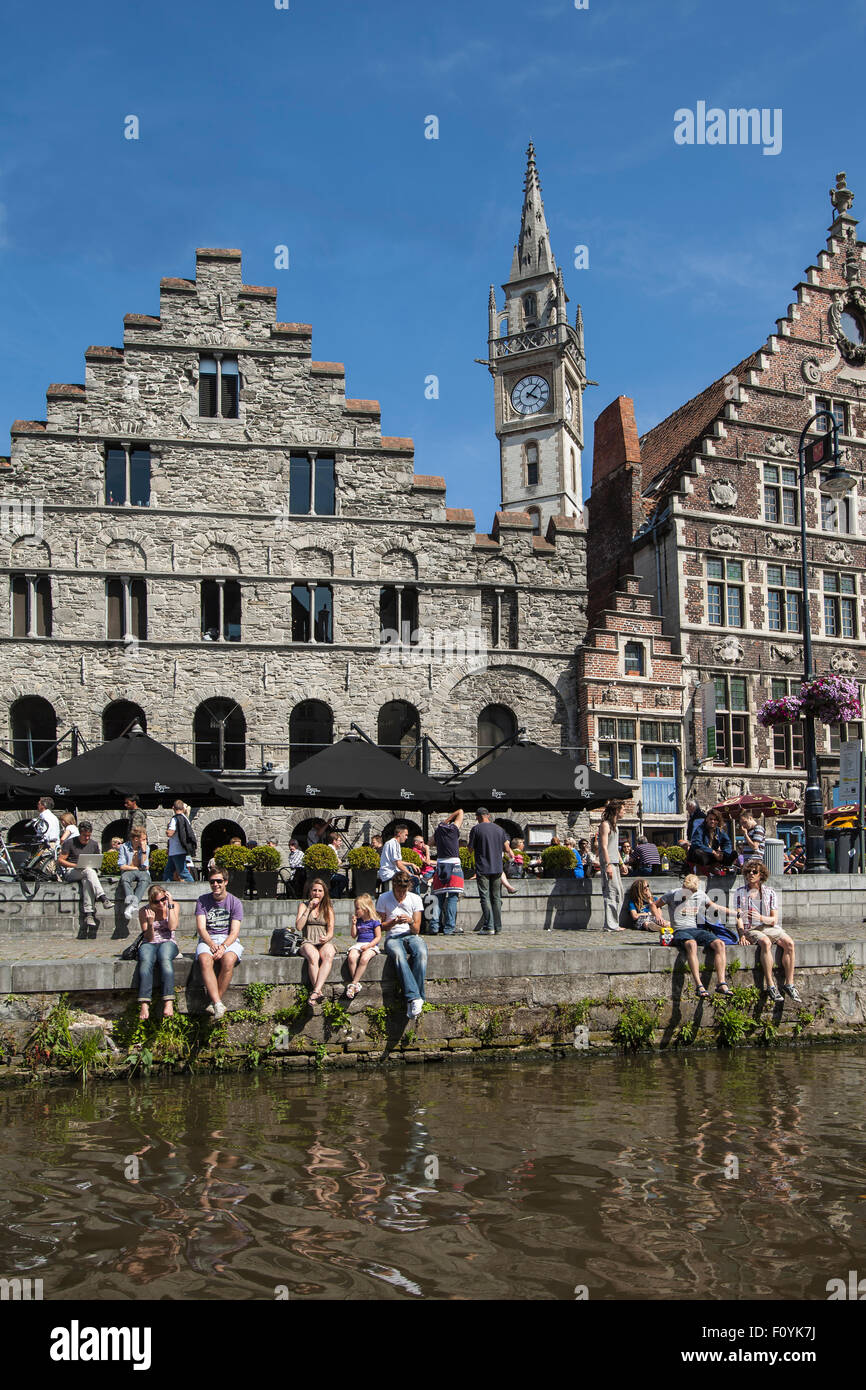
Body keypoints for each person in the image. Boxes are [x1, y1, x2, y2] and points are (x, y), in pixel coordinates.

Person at [656, 874, 733, 999]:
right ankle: (699, 985)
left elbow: (715, 906)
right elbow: (655, 905)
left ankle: (721, 983)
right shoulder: (672, 894)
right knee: (692, 944)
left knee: (720, 944)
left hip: (695, 929)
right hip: (679, 930)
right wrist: (658, 917)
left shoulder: (700, 895)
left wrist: (736, 913)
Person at [734, 861, 801, 1003]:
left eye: (754, 872)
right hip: (751, 928)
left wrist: (760, 918)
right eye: (748, 872)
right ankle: (770, 985)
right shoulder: (740, 892)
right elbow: (738, 917)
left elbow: (774, 920)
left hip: (768, 926)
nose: (750, 875)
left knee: (789, 943)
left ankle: (789, 983)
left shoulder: (770, 893)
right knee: (765, 942)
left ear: (761, 875)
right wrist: (741, 934)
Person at [195, 869, 244, 1019]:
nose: (215, 884)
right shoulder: (202, 900)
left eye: (219, 881)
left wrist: (223, 946)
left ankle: (214, 1003)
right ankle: (218, 1003)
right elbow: (201, 928)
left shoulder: (235, 902)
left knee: (228, 960)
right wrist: (211, 944)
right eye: (212, 882)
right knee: (204, 960)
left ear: (226, 882)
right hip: (208, 938)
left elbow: (234, 932)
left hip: (228, 939)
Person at [377, 872, 426, 1018]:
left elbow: (416, 929)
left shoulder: (415, 899)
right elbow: (380, 926)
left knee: (421, 953)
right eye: (398, 891)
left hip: (411, 934)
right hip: (393, 936)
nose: (400, 894)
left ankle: (414, 999)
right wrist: (394, 922)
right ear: (393, 886)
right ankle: (416, 997)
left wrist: (410, 921)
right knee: (399, 956)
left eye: (403, 891)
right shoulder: (383, 898)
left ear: (408, 888)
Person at [136, 884, 180, 1021]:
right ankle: (144, 1003)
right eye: (156, 902)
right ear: (150, 902)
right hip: (150, 942)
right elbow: (148, 937)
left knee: (164, 959)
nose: (161, 903)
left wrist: (170, 904)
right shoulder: (144, 911)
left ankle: (168, 1001)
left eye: (163, 899)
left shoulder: (173, 905)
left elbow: (172, 927)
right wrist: (150, 924)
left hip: (168, 941)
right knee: (145, 962)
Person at [468, 808, 514, 935]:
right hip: (497, 867)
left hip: (483, 867)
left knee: (485, 897)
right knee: (496, 898)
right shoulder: (499, 829)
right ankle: (498, 927)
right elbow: (506, 848)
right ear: (488, 816)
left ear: (478, 817)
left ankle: (489, 926)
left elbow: (470, 849)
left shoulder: (476, 829)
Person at [57, 820, 110, 929]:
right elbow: (61, 860)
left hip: (87, 873)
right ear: (80, 834)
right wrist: (75, 865)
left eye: (88, 836)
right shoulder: (70, 843)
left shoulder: (94, 844)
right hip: (72, 871)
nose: (87, 838)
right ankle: (102, 897)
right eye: (84, 836)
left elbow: (96, 860)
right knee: (89, 871)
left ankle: (89, 914)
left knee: (87, 880)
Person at [296, 877, 336, 1004]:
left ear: (324, 893)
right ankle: (317, 991)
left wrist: (327, 938)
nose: (317, 893)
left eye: (320, 891)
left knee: (329, 954)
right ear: (310, 892)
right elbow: (299, 926)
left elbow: (330, 931)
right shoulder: (303, 905)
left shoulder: (328, 908)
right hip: (308, 940)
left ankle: (316, 991)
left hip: (323, 941)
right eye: (314, 890)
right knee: (313, 956)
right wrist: (309, 909)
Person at [431, 808, 465, 936]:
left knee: (438, 897)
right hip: (454, 864)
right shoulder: (453, 829)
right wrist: (448, 820)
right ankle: (449, 928)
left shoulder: (438, 832)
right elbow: (460, 811)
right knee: (452, 898)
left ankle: (434, 926)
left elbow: (429, 843)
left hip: (441, 864)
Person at [345, 894, 382, 999]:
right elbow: (353, 935)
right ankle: (355, 983)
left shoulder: (375, 921)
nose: (356, 911)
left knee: (364, 958)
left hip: (371, 944)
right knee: (351, 957)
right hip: (359, 943)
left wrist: (369, 946)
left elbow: (378, 937)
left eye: (358, 908)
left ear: (366, 909)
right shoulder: (359, 921)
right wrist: (353, 924)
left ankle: (353, 984)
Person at [598, 800, 627, 933]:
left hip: (615, 863)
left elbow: (615, 847)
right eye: (623, 809)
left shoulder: (616, 826)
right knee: (611, 893)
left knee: (619, 893)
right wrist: (608, 865)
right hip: (608, 864)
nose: (624, 811)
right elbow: (604, 847)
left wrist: (621, 863)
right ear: (616, 810)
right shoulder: (605, 825)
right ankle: (610, 925)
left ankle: (613, 923)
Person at [118, 827, 152, 921]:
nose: (145, 841)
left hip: (142, 872)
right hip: (129, 871)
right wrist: (135, 868)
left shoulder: (146, 848)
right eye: (143, 839)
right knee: (124, 879)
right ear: (136, 839)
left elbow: (144, 866)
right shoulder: (124, 847)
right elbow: (122, 866)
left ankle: (132, 905)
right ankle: (132, 903)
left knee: (145, 879)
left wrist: (144, 851)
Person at [689, 809, 736, 875]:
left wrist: (723, 853)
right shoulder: (700, 829)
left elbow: (727, 843)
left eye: (715, 819)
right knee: (698, 853)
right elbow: (696, 844)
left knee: (733, 853)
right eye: (710, 819)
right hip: (704, 854)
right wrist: (712, 852)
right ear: (706, 819)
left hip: (714, 856)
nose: (712, 821)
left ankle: (722, 868)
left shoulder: (719, 831)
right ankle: (706, 869)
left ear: (718, 821)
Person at [378, 825, 418, 891]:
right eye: (405, 835)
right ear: (399, 834)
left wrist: (411, 864)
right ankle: (414, 899)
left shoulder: (393, 843)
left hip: (390, 872)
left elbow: (397, 861)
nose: (406, 837)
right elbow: (398, 864)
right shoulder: (394, 844)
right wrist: (411, 875)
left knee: (409, 868)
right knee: (414, 880)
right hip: (389, 873)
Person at [164, 799, 195, 882]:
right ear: (183, 808)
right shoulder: (185, 818)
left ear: (173, 808)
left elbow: (170, 833)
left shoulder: (174, 819)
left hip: (176, 850)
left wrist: (167, 829)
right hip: (179, 850)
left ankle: (194, 887)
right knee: (168, 871)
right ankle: (166, 887)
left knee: (182, 872)